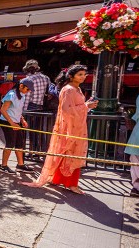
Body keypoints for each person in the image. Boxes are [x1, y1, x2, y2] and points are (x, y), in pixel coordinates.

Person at [23, 65, 97, 194]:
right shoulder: (68, 90)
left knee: (69, 153)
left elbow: (75, 106)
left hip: (77, 126)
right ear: (71, 76)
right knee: (69, 153)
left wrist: (87, 106)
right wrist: (86, 106)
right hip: (70, 127)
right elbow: (66, 110)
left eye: (84, 74)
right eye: (80, 74)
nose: (83, 77)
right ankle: (71, 184)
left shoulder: (77, 89)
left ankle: (58, 179)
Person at [0, 80, 34, 173]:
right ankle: (3, 166)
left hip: (16, 121)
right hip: (7, 121)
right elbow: (3, 110)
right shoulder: (11, 95)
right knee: (10, 143)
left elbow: (18, 110)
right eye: (28, 89)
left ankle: (20, 165)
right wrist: (11, 123)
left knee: (19, 143)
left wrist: (22, 120)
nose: (29, 91)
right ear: (21, 86)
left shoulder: (22, 95)